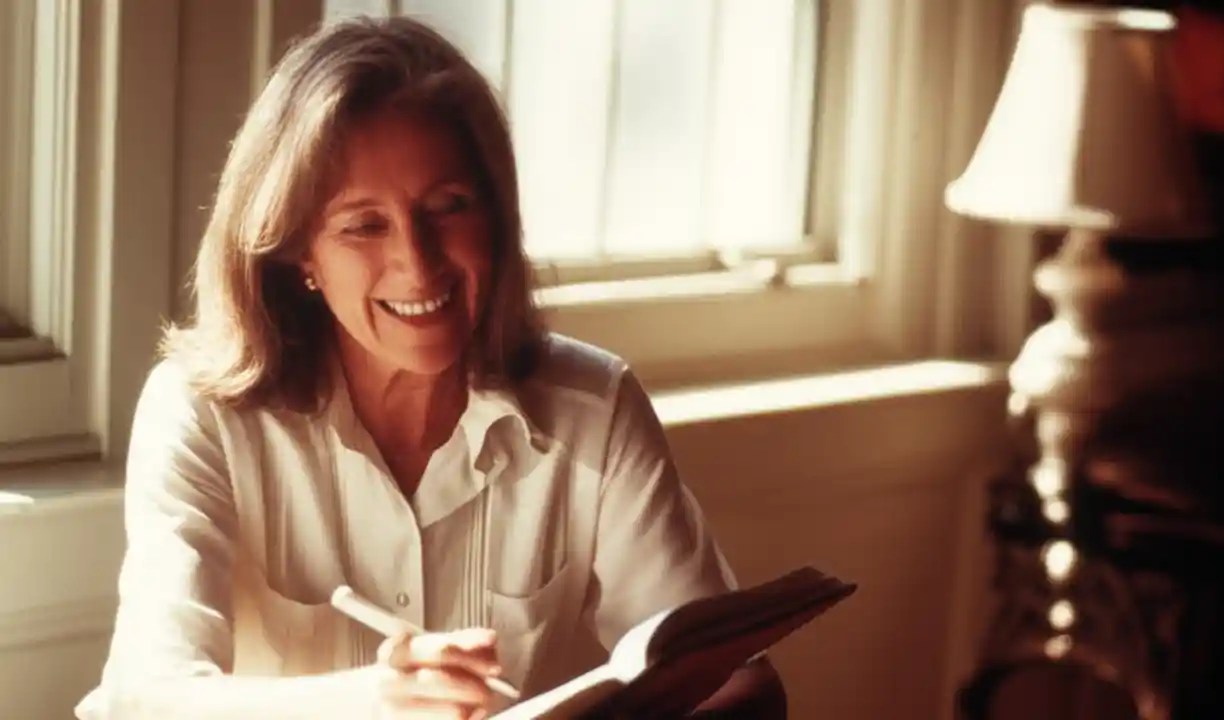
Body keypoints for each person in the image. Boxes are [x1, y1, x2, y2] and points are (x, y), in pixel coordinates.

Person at [75, 15, 785, 720]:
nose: (418, 263)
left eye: (448, 207)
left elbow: (734, 679)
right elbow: (145, 698)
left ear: (497, 217)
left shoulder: (593, 409)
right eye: (364, 224)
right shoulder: (200, 412)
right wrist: (377, 702)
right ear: (297, 253)